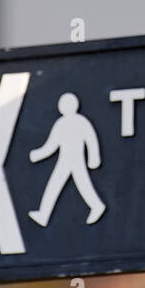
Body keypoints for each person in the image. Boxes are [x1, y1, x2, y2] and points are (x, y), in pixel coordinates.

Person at [27, 92, 106, 227]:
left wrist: (94, 158)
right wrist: (38, 155)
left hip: (75, 160)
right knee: (57, 185)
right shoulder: (61, 123)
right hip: (65, 161)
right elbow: (52, 145)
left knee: (81, 185)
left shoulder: (80, 122)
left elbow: (91, 140)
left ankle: (97, 206)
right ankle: (44, 214)